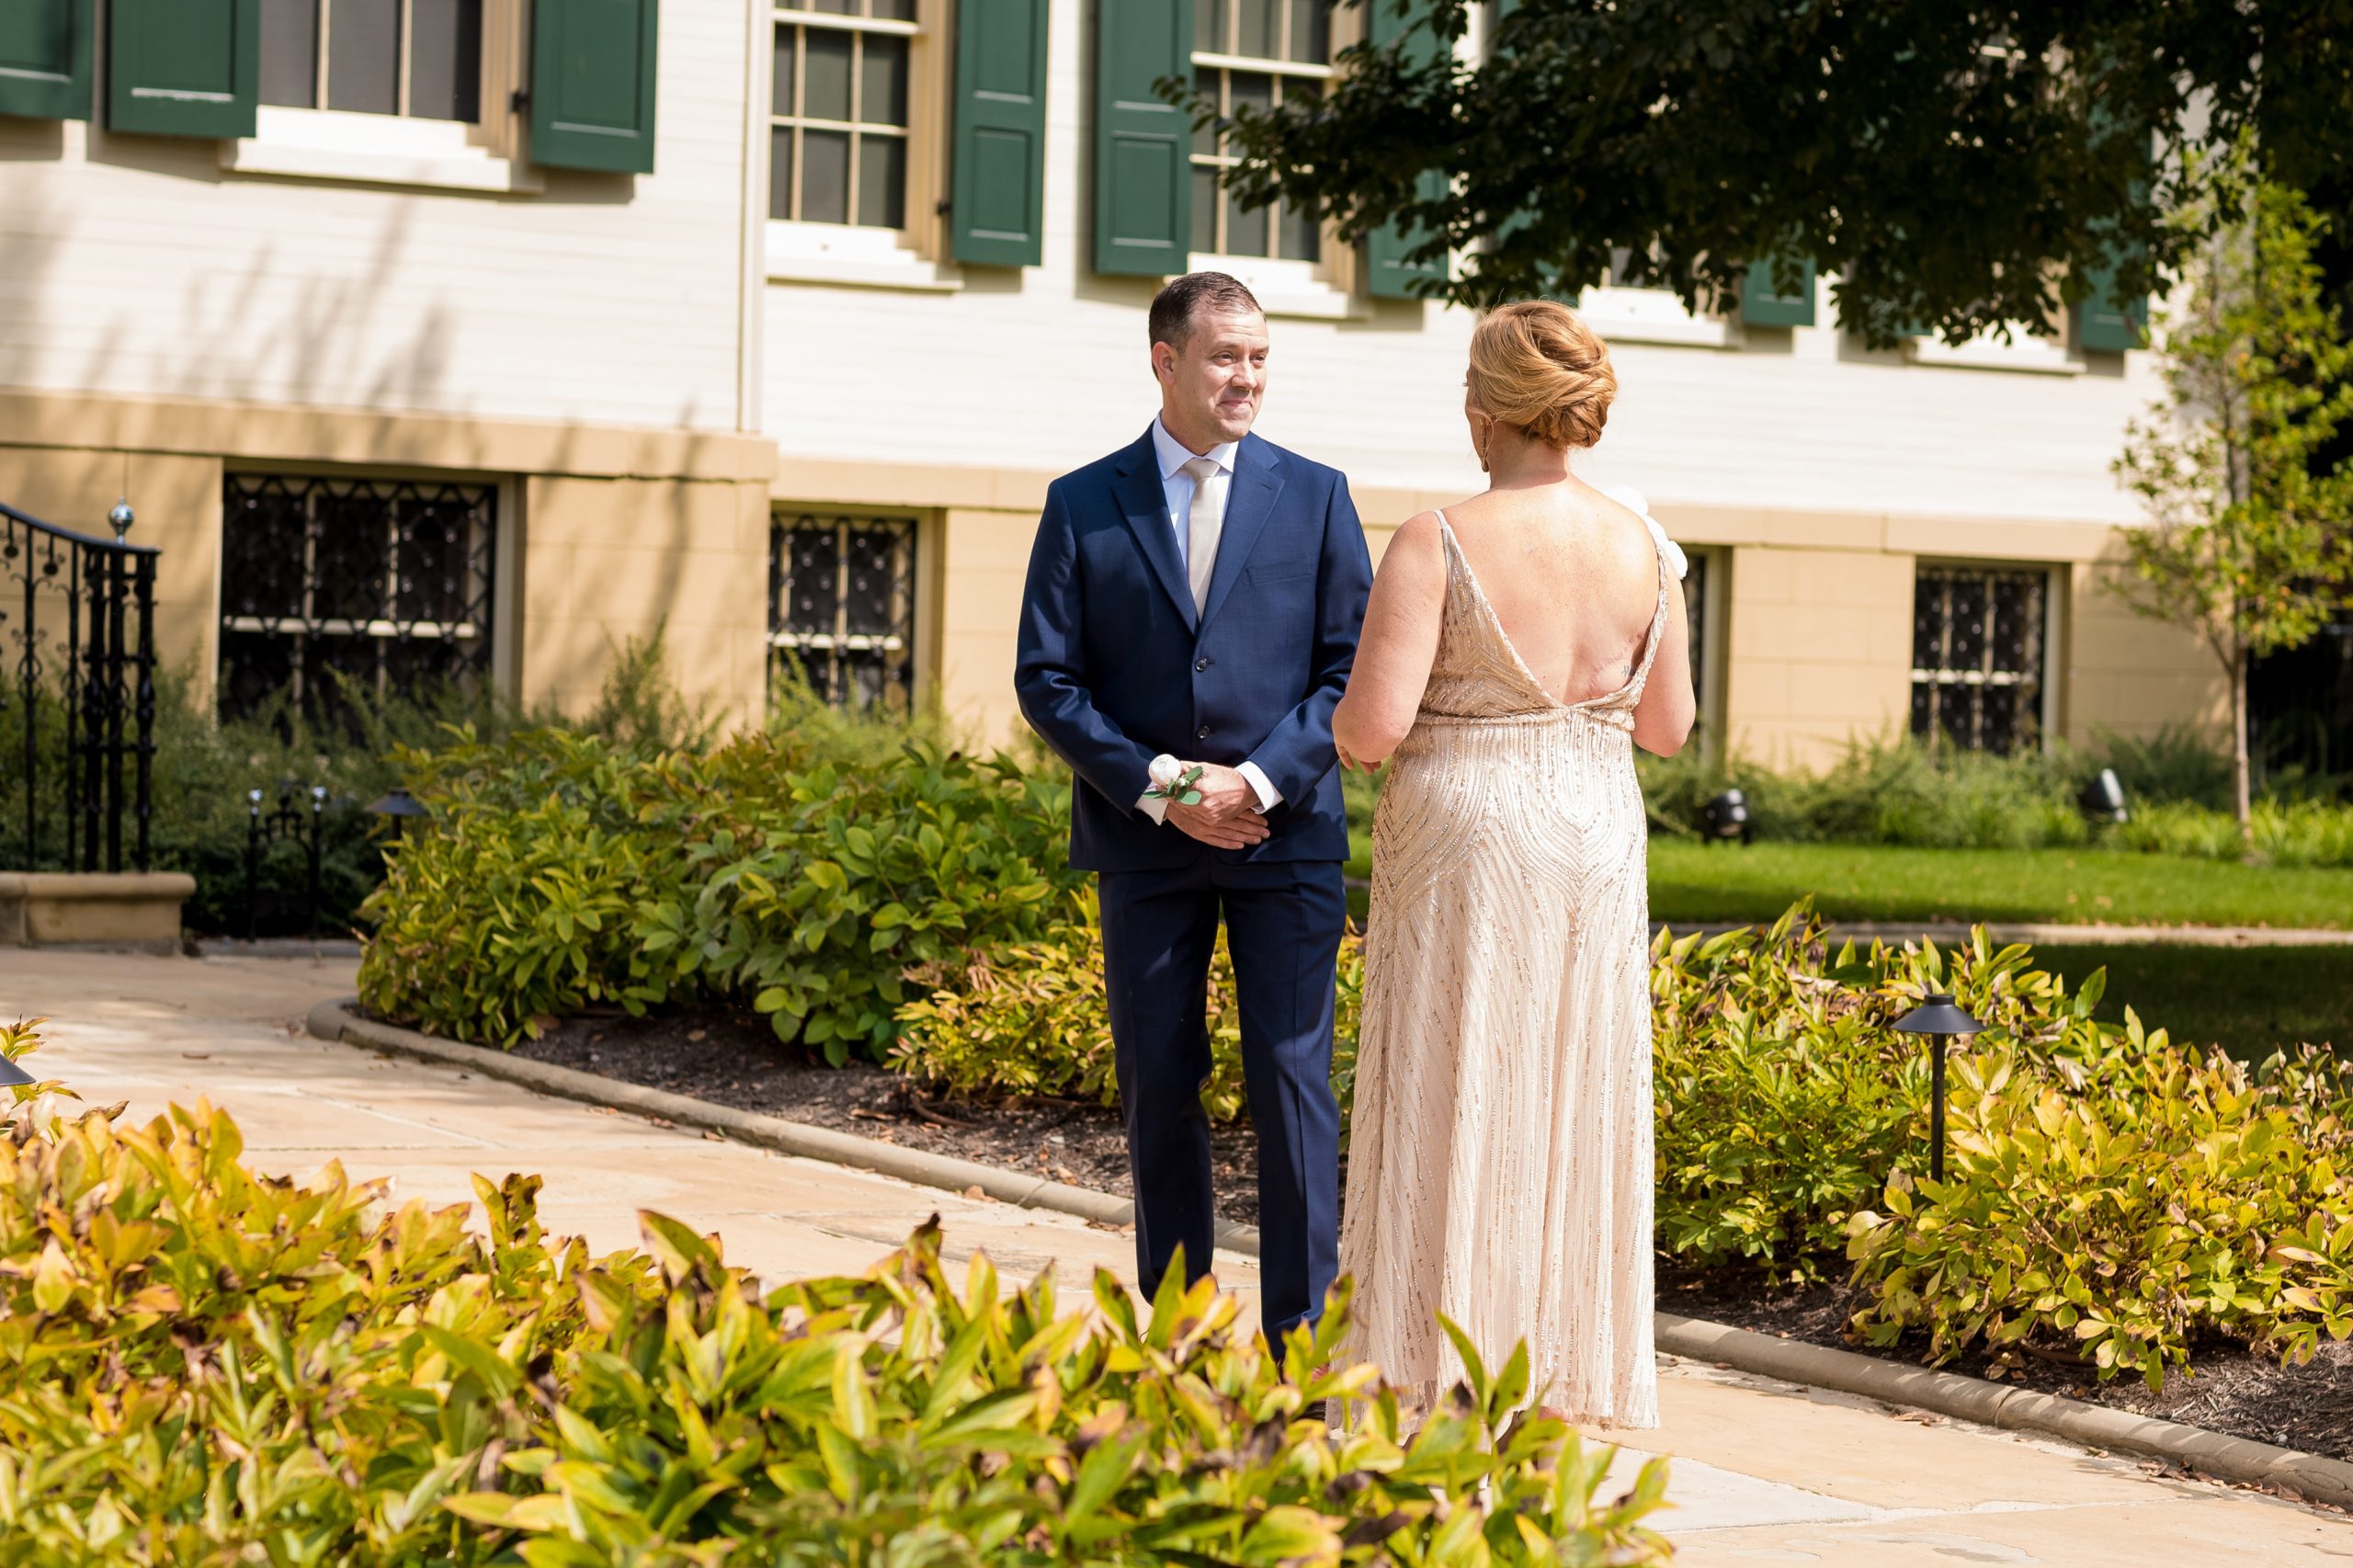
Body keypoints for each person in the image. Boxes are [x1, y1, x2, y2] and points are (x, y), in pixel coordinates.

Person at [1331, 300, 1694, 1427]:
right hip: (1594, 826)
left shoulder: (1436, 535)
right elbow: (1670, 726)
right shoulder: (1644, 542)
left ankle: (1427, 1363)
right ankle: (1555, 1368)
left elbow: (1369, 729)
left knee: (1457, 1082)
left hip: (1471, 836)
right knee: (1570, 1088)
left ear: (1483, 411)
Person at [1015, 271, 1374, 1348]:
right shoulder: (1084, 500)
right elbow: (1049, 679)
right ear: (1166, 360)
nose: (1247, 376)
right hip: (1147, 844)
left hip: (1284, 834)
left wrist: (1253, 783)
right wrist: (1170, 792)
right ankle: (1175, 1334)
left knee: (1291, 1084)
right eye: (1226, 356)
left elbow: (1347, 670)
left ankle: (1299, 1345)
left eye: (1260, 357)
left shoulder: (1315, 494)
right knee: (1159, 1083)